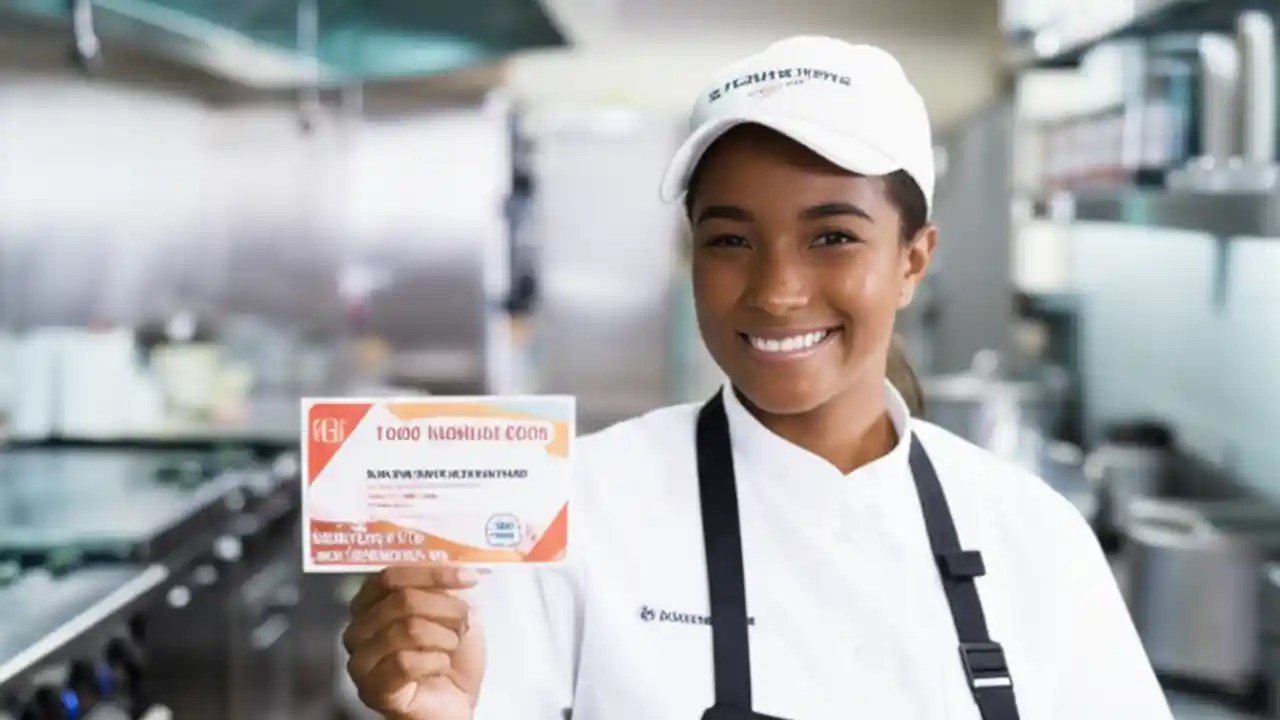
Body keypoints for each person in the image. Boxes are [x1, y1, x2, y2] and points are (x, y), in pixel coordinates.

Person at [341, 36, 1173, 719]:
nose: (776, 292)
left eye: (834, 237)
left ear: (913, 260)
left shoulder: (1037, 539)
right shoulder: (576, 507)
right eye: (731, 240)